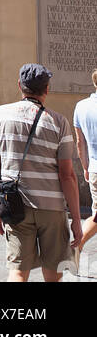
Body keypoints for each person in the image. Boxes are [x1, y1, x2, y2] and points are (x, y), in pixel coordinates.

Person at [0, 63, 82, 282]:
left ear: (20, 86)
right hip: (52, 208)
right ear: (47, 89)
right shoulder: (59, 122)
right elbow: (67, 175)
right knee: (53, 273)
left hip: (15, 204)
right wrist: (76, 219)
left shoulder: (0, 114)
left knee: (18, 270)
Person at [73, 68, 97, 252]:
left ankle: (76, 246)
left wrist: (85, 168)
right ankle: (76, 245)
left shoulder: (81, 106)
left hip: (94, 168)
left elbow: (80, 142)